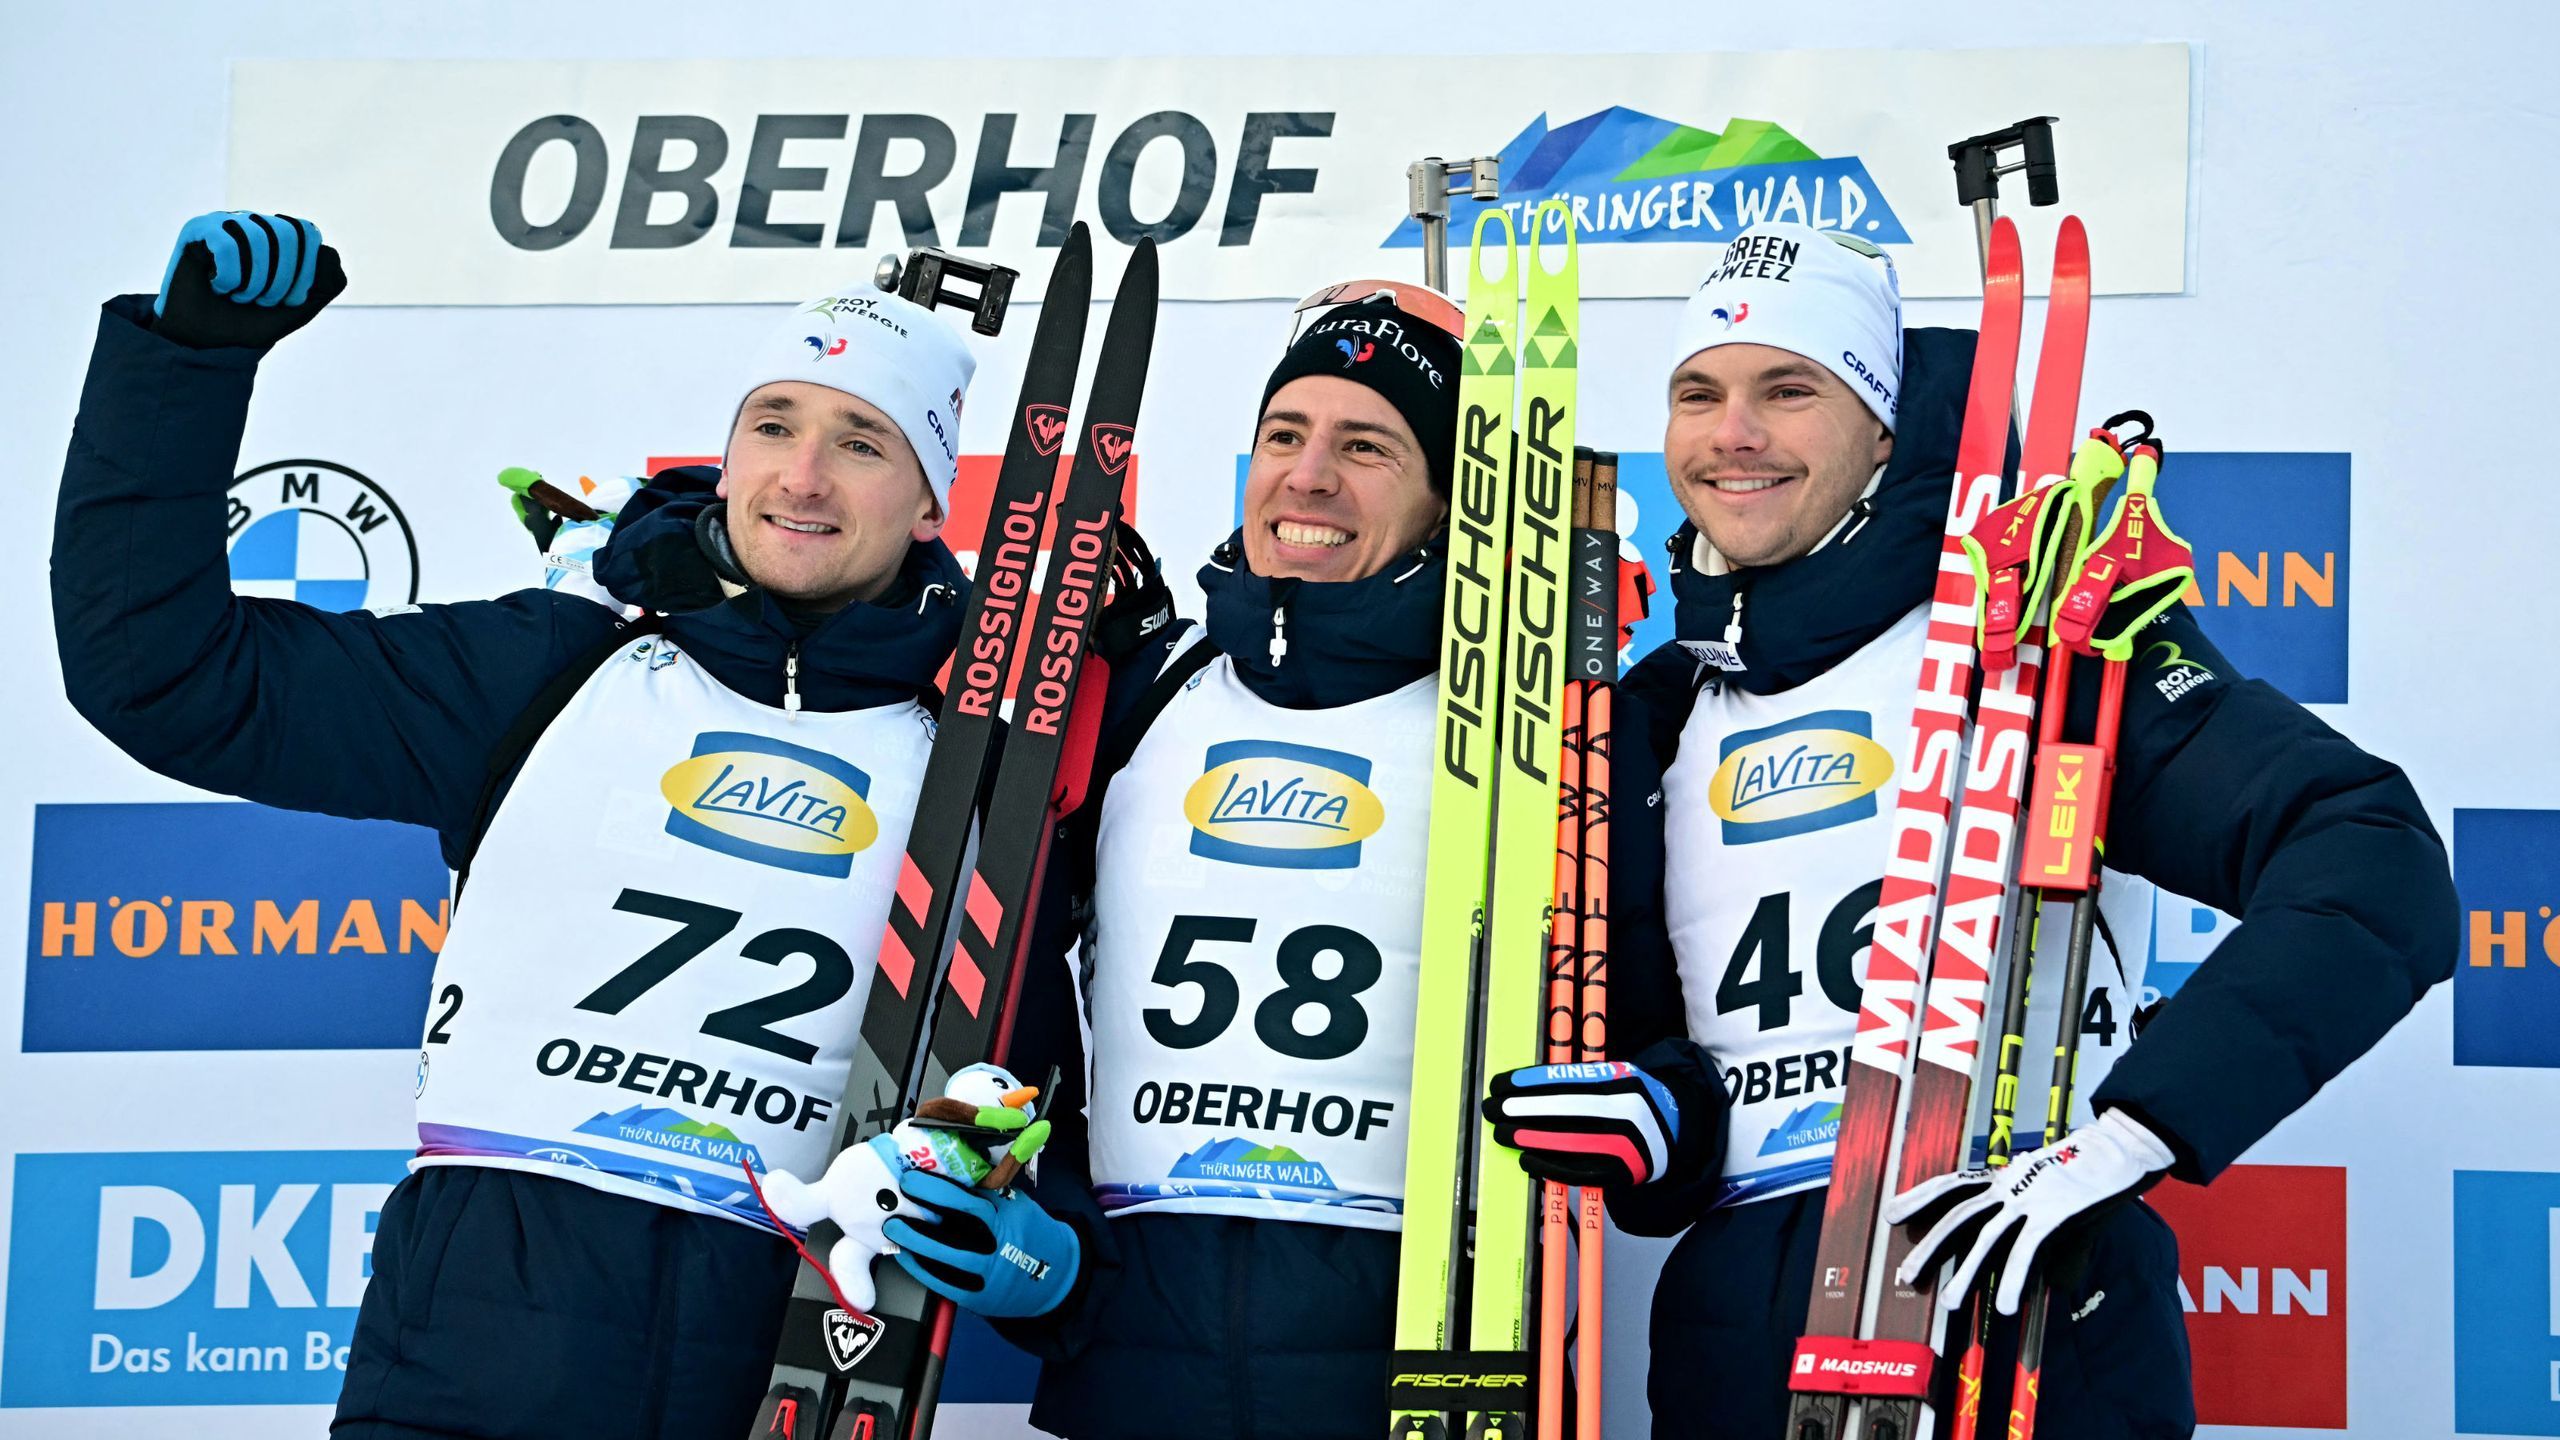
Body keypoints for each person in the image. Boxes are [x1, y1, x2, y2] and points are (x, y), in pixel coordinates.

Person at [1482, 221, 2457, 1438]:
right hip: (1730, 1346)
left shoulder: (2036, 649)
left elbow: (2371, 860)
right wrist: (1657, 1119)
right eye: (1698, 394)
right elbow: (1661, 1066)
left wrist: (2131, 1132)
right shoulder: (1652, 715)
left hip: (2019, 1317)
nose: (1732, 435)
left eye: (1790, 390)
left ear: (1882, 433)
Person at [53, 210, 987, 1438]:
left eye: (861, 442)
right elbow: (170, 679)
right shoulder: (555, 665)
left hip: (789, 1363)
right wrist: (184, 367)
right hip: (473, 1357)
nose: (801, 478)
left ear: (928, 500)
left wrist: (1025, 1233)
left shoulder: (984, 753)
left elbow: (1013, 1089)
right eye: (773, 427)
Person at [871, 287, 1522, 1440]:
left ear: (1447, 499)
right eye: (1285, 435)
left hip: (1406, 1382)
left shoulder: (1522, 726)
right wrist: (1054, 1249)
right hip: (1136, 1379)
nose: (1307, 476)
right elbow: (1005, 998)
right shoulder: (1137, 694)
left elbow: (1615, 1024)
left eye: (1365, 446)